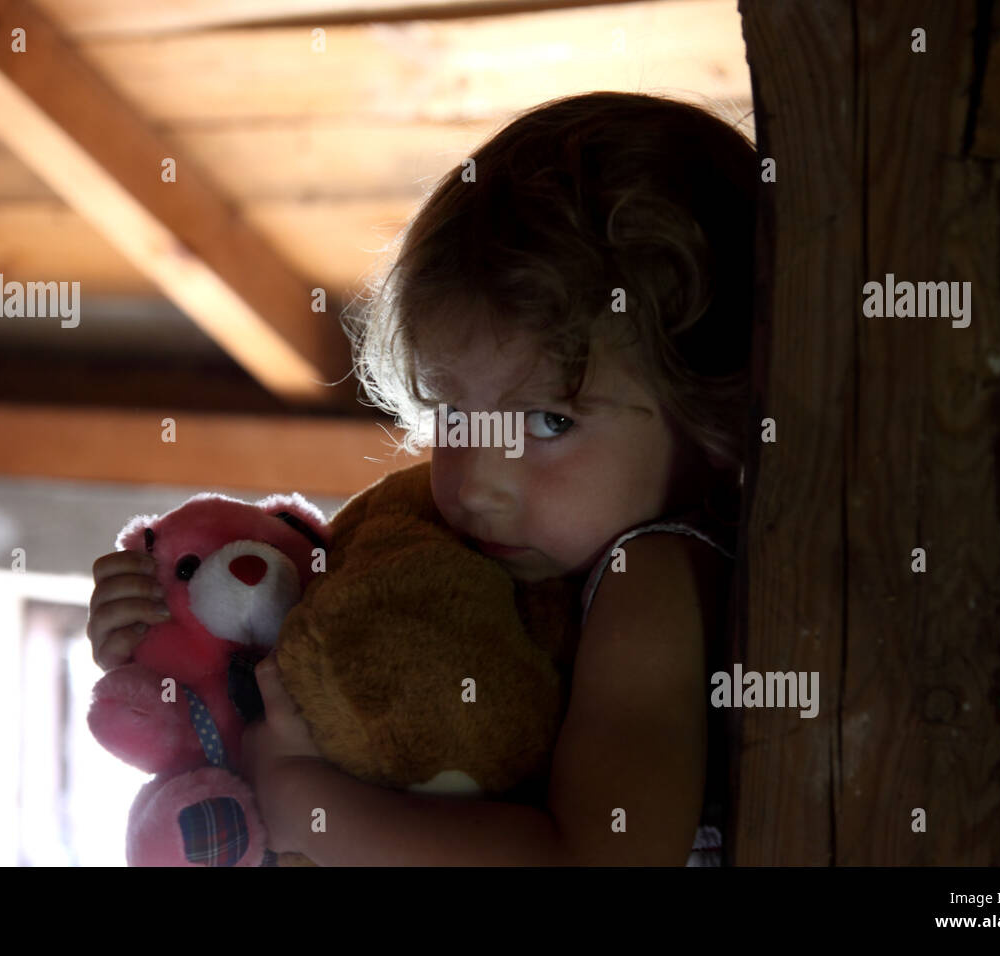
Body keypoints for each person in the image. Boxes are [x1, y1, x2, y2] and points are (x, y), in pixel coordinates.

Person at [87, 90, 754, 865]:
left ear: (711, 411)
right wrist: (173, 640)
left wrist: (308, 803)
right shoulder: (513, 556)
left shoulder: (656, 575)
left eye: (550, 421)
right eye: (451, 412)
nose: (476, 484)